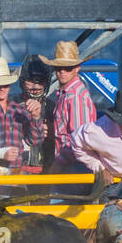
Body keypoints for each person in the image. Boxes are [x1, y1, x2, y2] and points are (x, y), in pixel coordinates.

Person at [65, 88, 122, 178]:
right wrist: (100, 168)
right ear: (116, 120)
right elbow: (76, 140)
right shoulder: (99, 130)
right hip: (118, 181)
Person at [42, 41, 96, 170]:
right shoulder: (66, 93)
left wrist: (57, 164)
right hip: (70, 162)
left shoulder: (75, 97)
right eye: (58, 68)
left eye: (68, 68)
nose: (62, 72)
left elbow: (80, 141)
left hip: (75, 165)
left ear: (77, 68)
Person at [17, 55, 57, 169]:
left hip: (47, 168)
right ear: (22, 82)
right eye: (30, 81)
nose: (35, 86)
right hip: (18, 170)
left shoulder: (53, 107)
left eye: (40, 81)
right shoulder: (12, 106)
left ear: (47, 82)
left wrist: (54, 132)